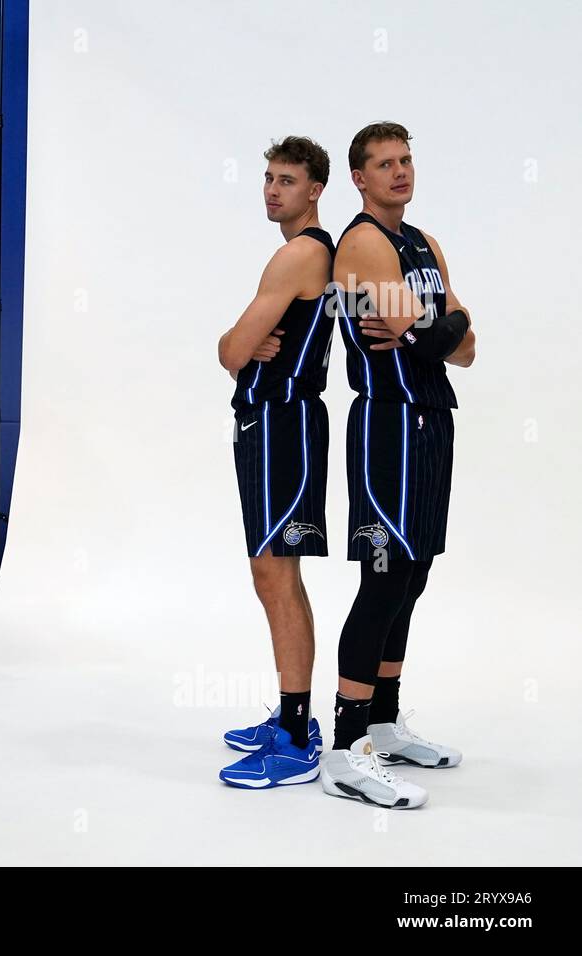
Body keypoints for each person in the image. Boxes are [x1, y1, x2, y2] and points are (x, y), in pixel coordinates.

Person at [318, 122, 475, 809]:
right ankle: (345, 750)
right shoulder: (361, 242)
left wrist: (432, 327)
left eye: (406, 160)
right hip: (387, 420)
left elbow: (460, 345)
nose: (400, 172)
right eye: (385, 163)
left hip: (432, 417)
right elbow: (437, 330)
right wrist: (434, 327)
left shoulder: (424, 243)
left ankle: (383, 721)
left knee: (414, 574)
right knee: (383, 577)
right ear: (360, 177)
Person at [216, 136, 335, 789]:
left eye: (286, 180)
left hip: (284, 424)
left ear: (315, 189)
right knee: (274, 574)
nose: (271, 189)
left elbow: (233, 349)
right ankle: (295, 718)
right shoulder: (299, 254)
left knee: (276, 576)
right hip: (272, 423)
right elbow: (239, 347)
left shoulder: (299, 254)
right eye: (267, 177)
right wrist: (240, 343)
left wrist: (238, 342)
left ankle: (296, 740)